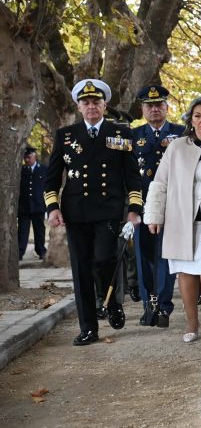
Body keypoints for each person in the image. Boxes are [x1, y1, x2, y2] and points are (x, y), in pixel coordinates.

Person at [44, 79, 143, 345]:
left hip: (108, 210)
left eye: (96, 102)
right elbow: (52, 178)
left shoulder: (120, 133)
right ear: (79, 106)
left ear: (104, 105)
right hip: (76, 212)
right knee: (81, 270)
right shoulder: (65, 136)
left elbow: (132, 176)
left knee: (104, 260)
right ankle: (88, 327)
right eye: (86, 102)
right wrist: (52, 207)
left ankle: (112, 303)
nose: (91, 106)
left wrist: (134, 208)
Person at [144, 95, 201, 343]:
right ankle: (191, 323)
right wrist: (154, 216)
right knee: (186, 271)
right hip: (181, 218)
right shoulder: (177, 146)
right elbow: (160, 182)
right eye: (197, 116)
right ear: (191, 119)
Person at [132, 84, 185, 328]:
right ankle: (148, 305)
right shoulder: (134, 136)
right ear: (143, 109)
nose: (154, 109)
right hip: (143, 205)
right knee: (143, 258)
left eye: (159, 105)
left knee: (166, 257)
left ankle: (163, 306)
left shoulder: (182, 133)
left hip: (173, 205)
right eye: (149, 106)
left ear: (166, 107)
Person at [19, 147, 48, 260]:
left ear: (34, 156)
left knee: (39, 230)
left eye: (29, 157)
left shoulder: (44, 169)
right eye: (25, 158)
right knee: (22, 231)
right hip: (24, 206)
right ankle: (20, 252)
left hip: (38, 205)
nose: (27, 160)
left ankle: (41, 251)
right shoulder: (21, 170)